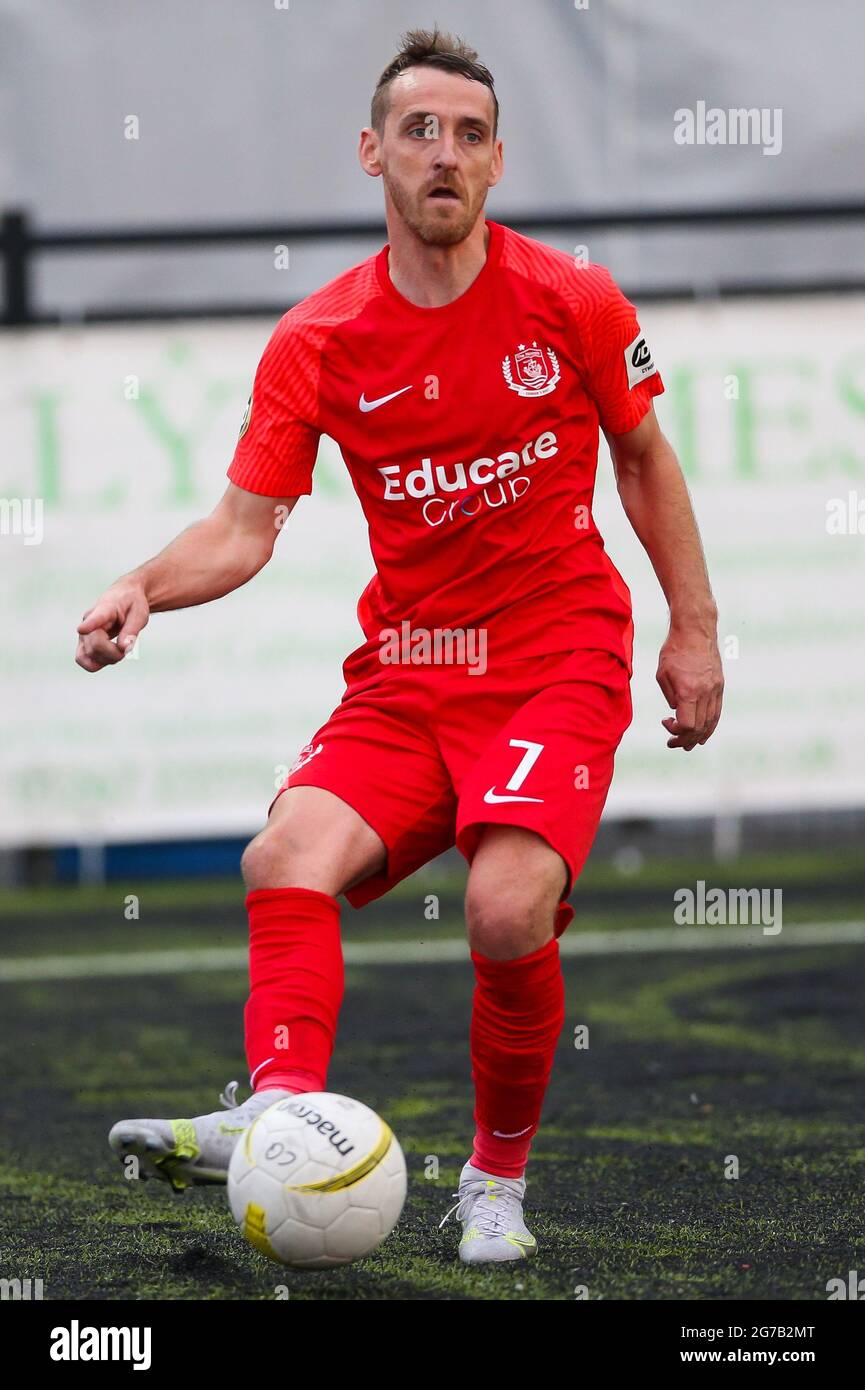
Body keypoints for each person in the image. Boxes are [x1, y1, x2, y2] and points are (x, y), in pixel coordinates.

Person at [76, 28, 723, 1265]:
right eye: (420, 129)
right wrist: (143, 586)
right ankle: (273, 1110)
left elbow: (644, 458)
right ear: (373, 152)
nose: (445, 153)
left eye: (470, 135)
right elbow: (244, 527)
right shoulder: (319, 339)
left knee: (503, 907)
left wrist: (693, 629)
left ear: (497, 165)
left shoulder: (572, 300)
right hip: (414, 665)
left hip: (555, 654)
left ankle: (491, 1182)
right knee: (285, 853)